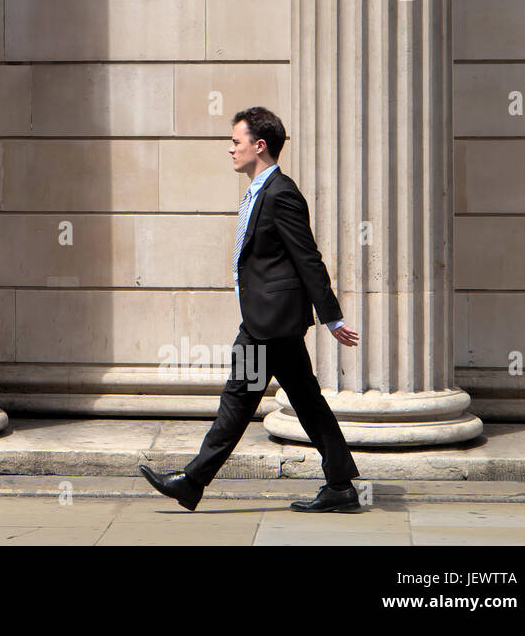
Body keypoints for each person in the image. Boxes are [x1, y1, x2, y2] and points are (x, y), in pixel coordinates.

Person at [140, 107, 361, 513]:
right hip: (271, 322)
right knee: (306, 401)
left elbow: (308, 258)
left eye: (236, 142)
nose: (231, 150)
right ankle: (341, 485)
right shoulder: (260, 192)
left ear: (259, 145)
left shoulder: (281, 193)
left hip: (268, 325)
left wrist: (332, 317)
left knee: (238, 399)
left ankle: (192, 481)